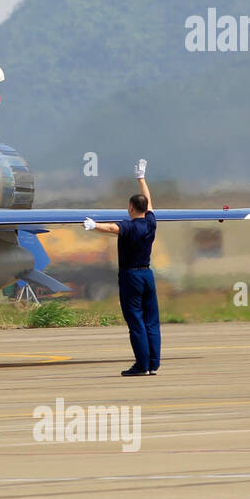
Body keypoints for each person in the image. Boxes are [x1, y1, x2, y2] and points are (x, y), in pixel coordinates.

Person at [84, 159, 161, 377]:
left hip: (131, 276)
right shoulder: (150, 222)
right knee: (151, 321)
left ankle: (141, 365)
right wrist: (141, 178)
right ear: (145, 208)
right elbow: (150, 203)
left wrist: (93, 226)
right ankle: (153, 364)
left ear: (130, 208)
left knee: (135, 320)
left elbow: (111, 228)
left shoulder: (128, 226)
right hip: (147, 274)